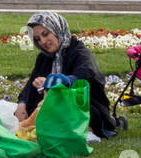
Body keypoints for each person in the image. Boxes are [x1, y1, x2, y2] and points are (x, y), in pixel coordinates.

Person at [13, 11, 116, 140]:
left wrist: (58, 82)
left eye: (46, 34)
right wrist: (21, 104)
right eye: (38, 39)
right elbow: (30, 86)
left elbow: (84, 77)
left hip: (83, 108)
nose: (43, 42)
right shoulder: (44, 57)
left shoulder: (79, 52)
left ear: (57, 28)